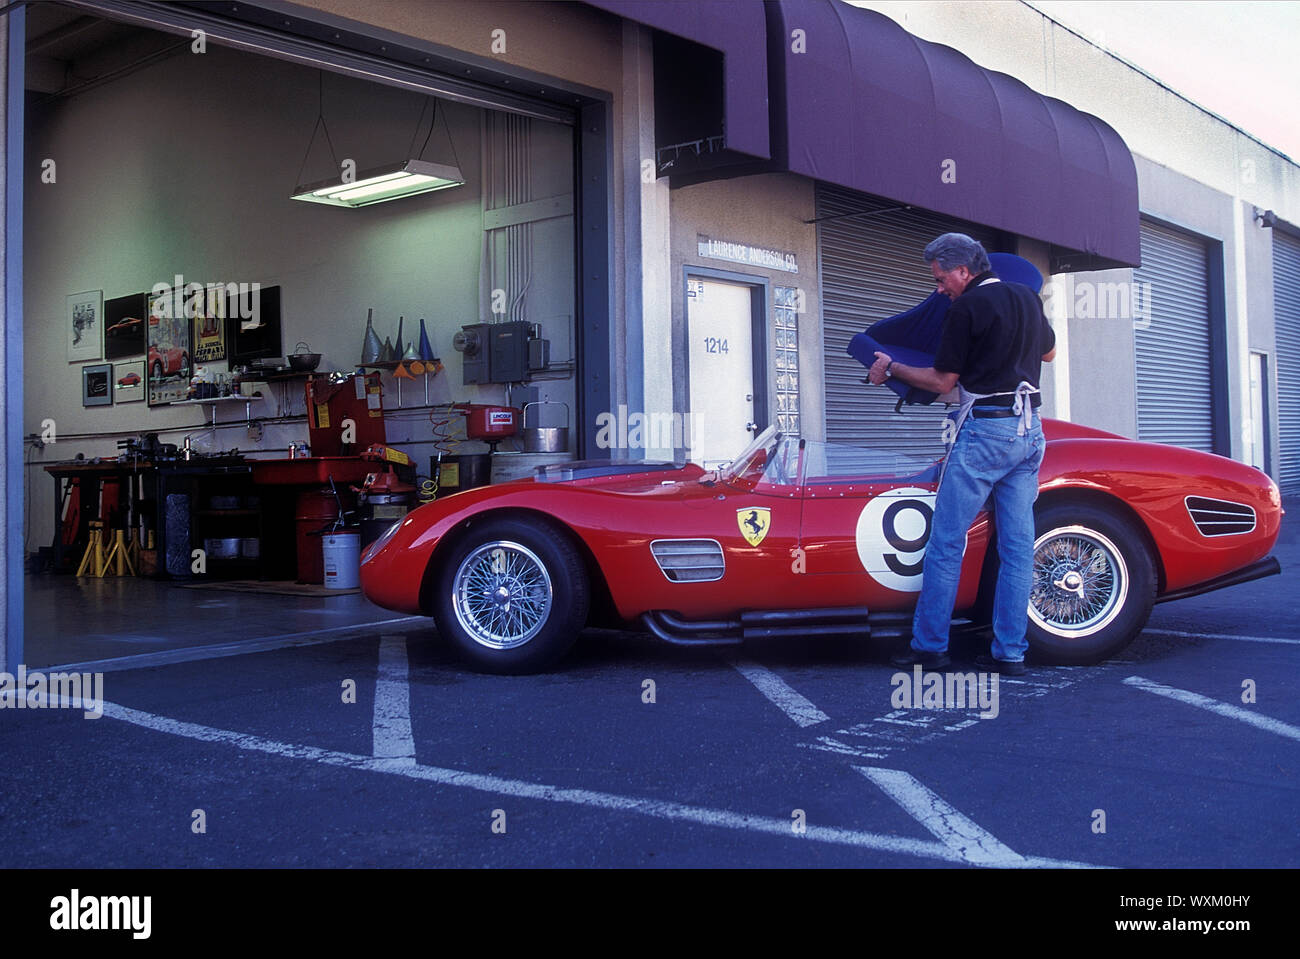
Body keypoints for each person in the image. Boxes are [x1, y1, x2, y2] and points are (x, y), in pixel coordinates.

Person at [867, 233, 1056, 676]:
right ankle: (1011, 654)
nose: (939, 289)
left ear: (963, 271)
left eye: (940, 279)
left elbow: (942, 382)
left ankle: (930, 647)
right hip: (1030, 432)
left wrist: (890, 367)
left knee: (947, 543)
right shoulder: (1028, 298)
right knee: (1017, 549)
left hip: (987, 432)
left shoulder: (965, 307)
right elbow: (1048, 352)